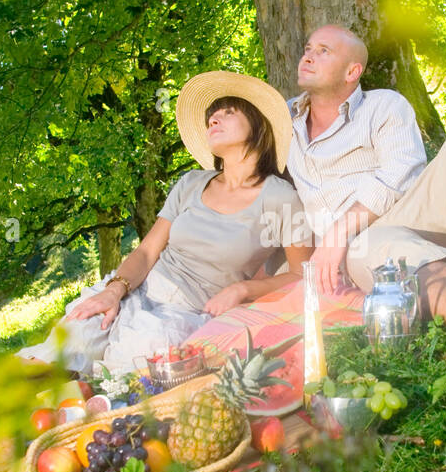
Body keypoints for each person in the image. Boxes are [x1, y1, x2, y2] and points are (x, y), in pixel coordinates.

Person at [17, 72, 312, 375]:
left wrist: (243, 289)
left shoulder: (280, 197)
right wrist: (114, 290)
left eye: (227, 111)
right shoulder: (191, 183)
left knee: (126, 372)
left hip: (185, 314)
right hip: (137, 290)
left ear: (258, 125)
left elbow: (302, 276)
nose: (213, 119)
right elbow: (146, 252)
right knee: (60, 349)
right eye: (211, 115)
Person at [285, 25, 446, 360]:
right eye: (308, 47)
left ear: (352, 71)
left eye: (323, 50)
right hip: (361, 244)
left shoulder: (383, 105)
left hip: (417, 211)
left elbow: (399, 174)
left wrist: (338, 231)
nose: (308, 54)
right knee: (390, 256)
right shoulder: (282, 119)